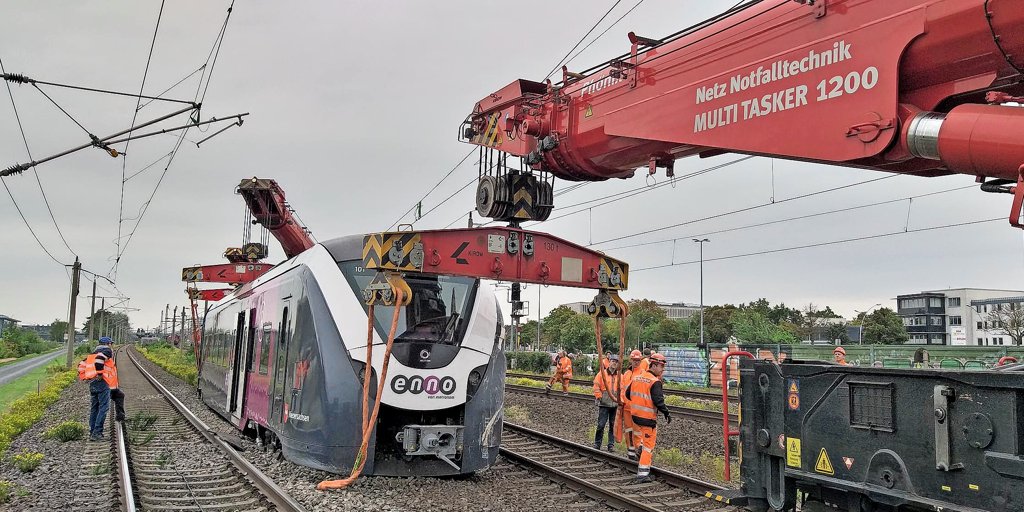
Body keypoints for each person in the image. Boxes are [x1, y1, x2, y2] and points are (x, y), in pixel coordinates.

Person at [626, 352, 671, 483]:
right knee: (648, 446)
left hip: (635, 416)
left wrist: (638, 404)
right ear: (654, 365)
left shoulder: (637, 377)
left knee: (641, 437)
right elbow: (658, 401)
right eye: (661, 366)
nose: (663, 370)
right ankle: (643, 474)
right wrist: (666, 412)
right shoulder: (654, 382)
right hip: (648, 419)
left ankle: (638, 446)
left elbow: (628, 394)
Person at [618, 350, 644, 460]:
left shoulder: (643, 373)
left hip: (638, 409)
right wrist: (621, 400)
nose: (636, 362)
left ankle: (639, 451)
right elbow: (622, 388)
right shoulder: (627, 373)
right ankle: (631, 451)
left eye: (638, 360)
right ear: (631, 360)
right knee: (628, 430)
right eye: (635, 360)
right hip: (627, 408)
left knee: (638, 431)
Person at [592, 354, 619, 452]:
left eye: (616, 362)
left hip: (615, 404)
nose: (614, 363)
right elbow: (596, 386)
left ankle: (610, 445)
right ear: (609, 362)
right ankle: (597, 443)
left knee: (613, 425)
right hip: (604, 403)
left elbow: (622, 388)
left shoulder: (620, 375)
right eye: (613, 361)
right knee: (601, 425)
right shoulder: (602, 374)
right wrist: (599, 397)